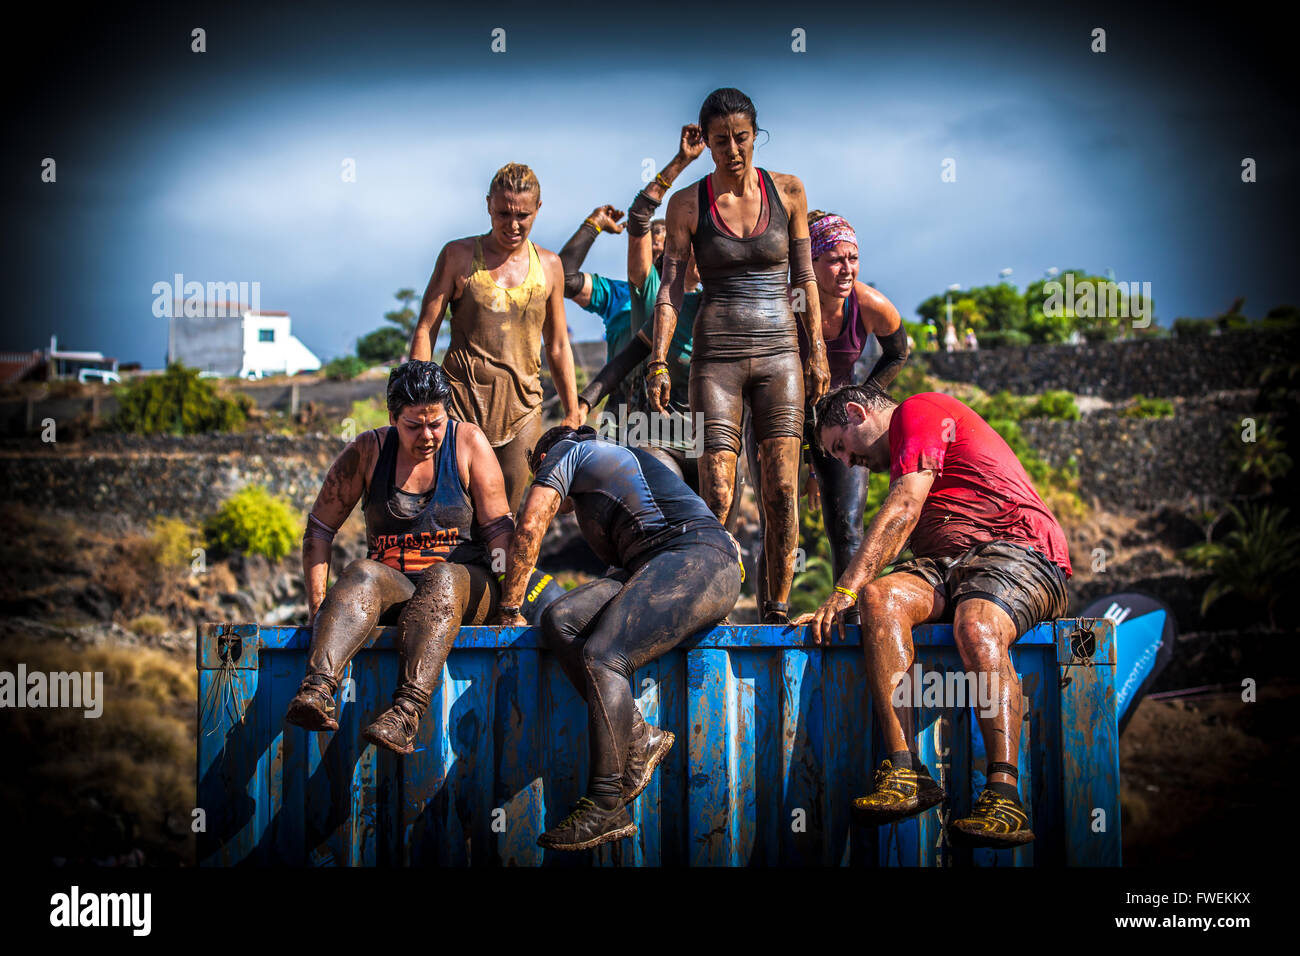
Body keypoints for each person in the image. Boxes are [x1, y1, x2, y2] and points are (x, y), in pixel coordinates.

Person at [801, 382, 1072, 848]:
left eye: (841, 447)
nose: (846, 463)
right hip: (949, 564)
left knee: (976, 624)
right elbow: (899, 542)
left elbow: (903, 509)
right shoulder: (906, 453)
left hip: (1019, 550)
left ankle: (1004, 793)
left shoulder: (918, 411)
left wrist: (843, 589)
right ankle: (906, 772)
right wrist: (849, 601)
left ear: (857, 412)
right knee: (879, 600)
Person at [492, 425, 743, 851]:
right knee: (561, 618)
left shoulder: (570, 452)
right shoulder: (610, 474)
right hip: (652, 565)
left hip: (699, 558)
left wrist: (508, 608)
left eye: (541, 469)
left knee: (604, 654)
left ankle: (607, 801)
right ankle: (639, 736)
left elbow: (530, 525)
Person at [652, 88, 829, 624]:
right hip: (718, 359)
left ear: (756, 135)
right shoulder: (687, 204)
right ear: (704, 142)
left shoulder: (789, 191)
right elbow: (671, 291)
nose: (733, 149)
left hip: (781, 355)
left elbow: (804, 279)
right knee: (719, 492)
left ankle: (776, 610)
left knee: (780, 489)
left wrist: (816, 351)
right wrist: (660, 360)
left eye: (742, 137)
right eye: (721, 139)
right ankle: (711, 608)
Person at [285, 361, 516, 755]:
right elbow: (319, 531)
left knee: (442, 578)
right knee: (360, 572)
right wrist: (317, 609)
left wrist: (509, 605)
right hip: (398, 589)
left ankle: (406, 714)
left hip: (464, 587)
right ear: (392, 418)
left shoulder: (469, 444)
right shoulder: (367, 451)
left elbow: (499, 532)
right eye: (413, 426)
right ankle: (318, 688)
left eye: (436, 424)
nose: (427, 436)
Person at [409, 162, 584, 513]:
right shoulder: (458, 256)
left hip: (522, 411)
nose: (513, 224)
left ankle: (504, 570)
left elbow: (558, 344)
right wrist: (416, 400)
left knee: (505, 519)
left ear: (538, 208)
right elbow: (426, 328)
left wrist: (572, 413)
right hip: (459, 405)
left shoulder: (549, 266)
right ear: (488, 204)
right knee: (454, 514)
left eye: (522, 214)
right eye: (503, 213)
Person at [575, 125, 712, 493]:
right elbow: (638, 218)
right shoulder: (650, 286)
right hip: (631, 422)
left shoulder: (711, 304)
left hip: (691, 432)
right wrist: (682, 160)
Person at [794, 211, 909, 625]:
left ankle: (852, 618)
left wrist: (867, 396)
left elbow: (898, 351)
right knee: (781, 519)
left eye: (853, 258)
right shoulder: (790, 300)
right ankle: (774, 616)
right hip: (783, 414)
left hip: (837, 420)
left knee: (847, 522)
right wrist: (804, 458)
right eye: (835, 259)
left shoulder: (868, 304)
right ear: (811, 262)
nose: (847, 269)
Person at [557, 204, 634, 431]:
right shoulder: (619, 295)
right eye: (649, 251)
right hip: (622, 417)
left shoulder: (697, 301)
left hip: (680, 420)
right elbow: (564, 278)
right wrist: (594, 224)